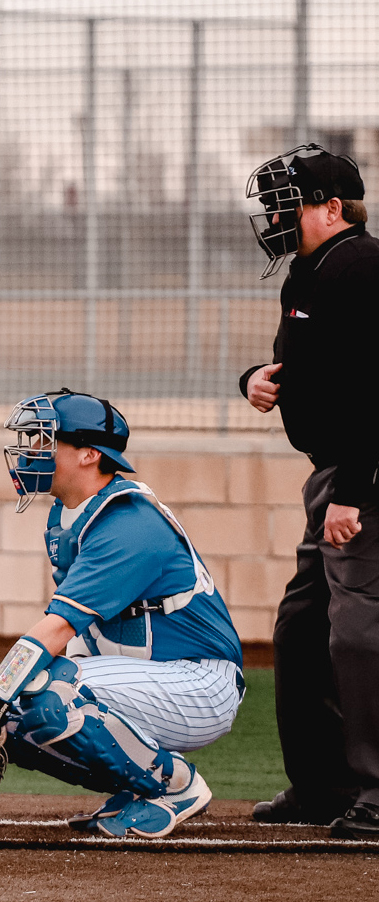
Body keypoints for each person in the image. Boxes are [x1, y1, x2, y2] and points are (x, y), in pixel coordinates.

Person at [0, 390, 244, 838]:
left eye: (45, 440)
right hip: (146, 675)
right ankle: (139, 785)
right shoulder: (68, 517)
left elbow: (57, 628)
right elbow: (69, 637)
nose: (31, 451)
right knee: (6, 704)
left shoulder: (128, 523)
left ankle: (176, 786)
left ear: (89, 454)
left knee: (39, 695)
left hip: (198, 684)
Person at [241, 143, 379, 839]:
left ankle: (377, 794)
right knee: (303, 631)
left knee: (360, 633)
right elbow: (309, 364)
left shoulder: (363, 268)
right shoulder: (307, 273)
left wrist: (354, 492)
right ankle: (322, 785)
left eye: (285, 202)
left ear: (333, 207)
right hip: (332, 473)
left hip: (366, 473)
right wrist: (256, 379)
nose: (273, 216)